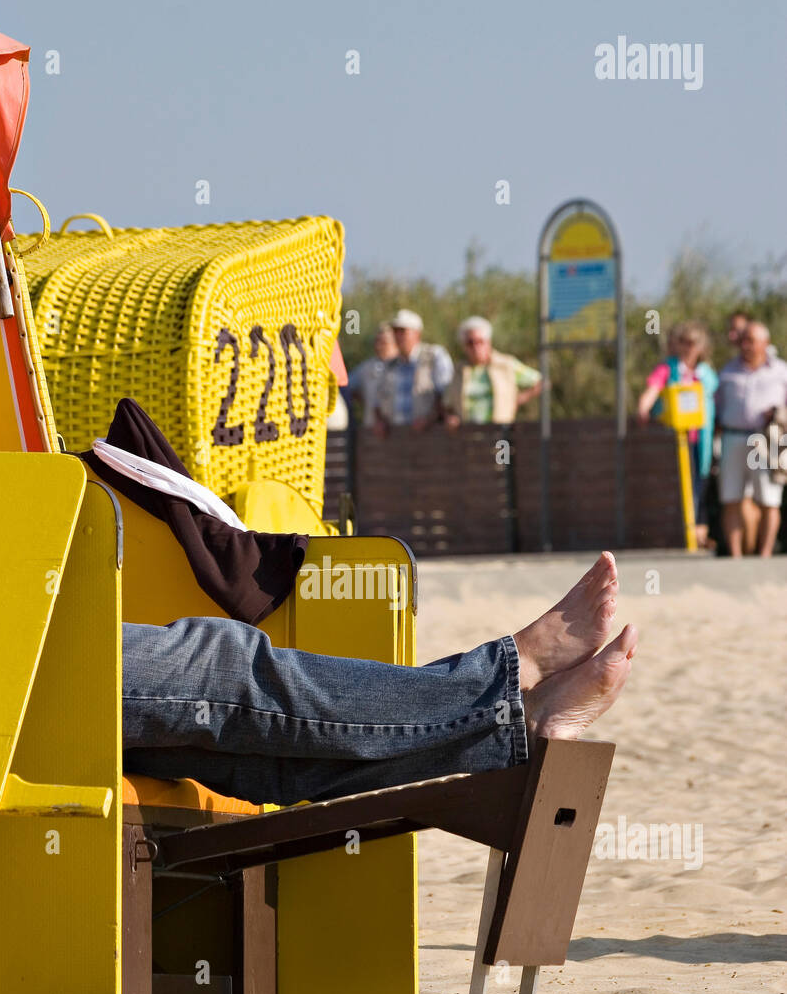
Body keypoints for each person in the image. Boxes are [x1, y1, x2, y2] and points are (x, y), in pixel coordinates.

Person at [122, 553, 636, 806]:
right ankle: (510, 682)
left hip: (56, 682)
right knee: (218, 667)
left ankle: (522, 717)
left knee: (262, 760)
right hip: (46, 668)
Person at [636, 322, 718, 548]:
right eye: (683, 342)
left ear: (701, 346)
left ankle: (699, 537)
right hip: (675, 441)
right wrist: (643, 408)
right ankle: (683, 538)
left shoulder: (707, 375)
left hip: (701, 441)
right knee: (683, 488)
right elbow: (652, 390)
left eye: (692, 343)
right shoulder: (668, 368)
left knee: (700, 488)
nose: (687, 347)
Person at [714, 320, 787, 557]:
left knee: (769, 499)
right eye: (743, 340)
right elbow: (717, 404)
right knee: (731, 497)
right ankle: (736, 558)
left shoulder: (780, 371)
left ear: (765, 343)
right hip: (732, 437)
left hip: (765, 440)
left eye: (751, 341)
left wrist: (777, 413)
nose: (746, 345)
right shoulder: (728, 370)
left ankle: (764, 556)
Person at [444, 316, 542, 425]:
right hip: (468, 435)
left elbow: (541, 382)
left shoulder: (506, 364)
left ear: (488, 342)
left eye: (480, 341)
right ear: (464, 346)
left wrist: (518, 399)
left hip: (500, 433)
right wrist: (451, 417)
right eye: (470, 343)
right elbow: (447, 404)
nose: (476, 347)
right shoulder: (459, 370)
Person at [376, 308, 453, 430]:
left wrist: (430, 419)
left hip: (431, 437)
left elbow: (446, 395)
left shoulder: (434, 356)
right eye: (395, 331)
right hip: (397, 439)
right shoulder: (389, 366)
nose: (398, 335)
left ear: (417, 333)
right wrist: (380, 421)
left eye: (403, 331)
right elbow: (378, 402)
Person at [345, 323, 397, 430]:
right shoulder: (367, 367)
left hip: (400, 427)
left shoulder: (403, 365)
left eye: (383, 342)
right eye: (377, 342)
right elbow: (347, 386)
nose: (379, 346)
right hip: (372, 428)